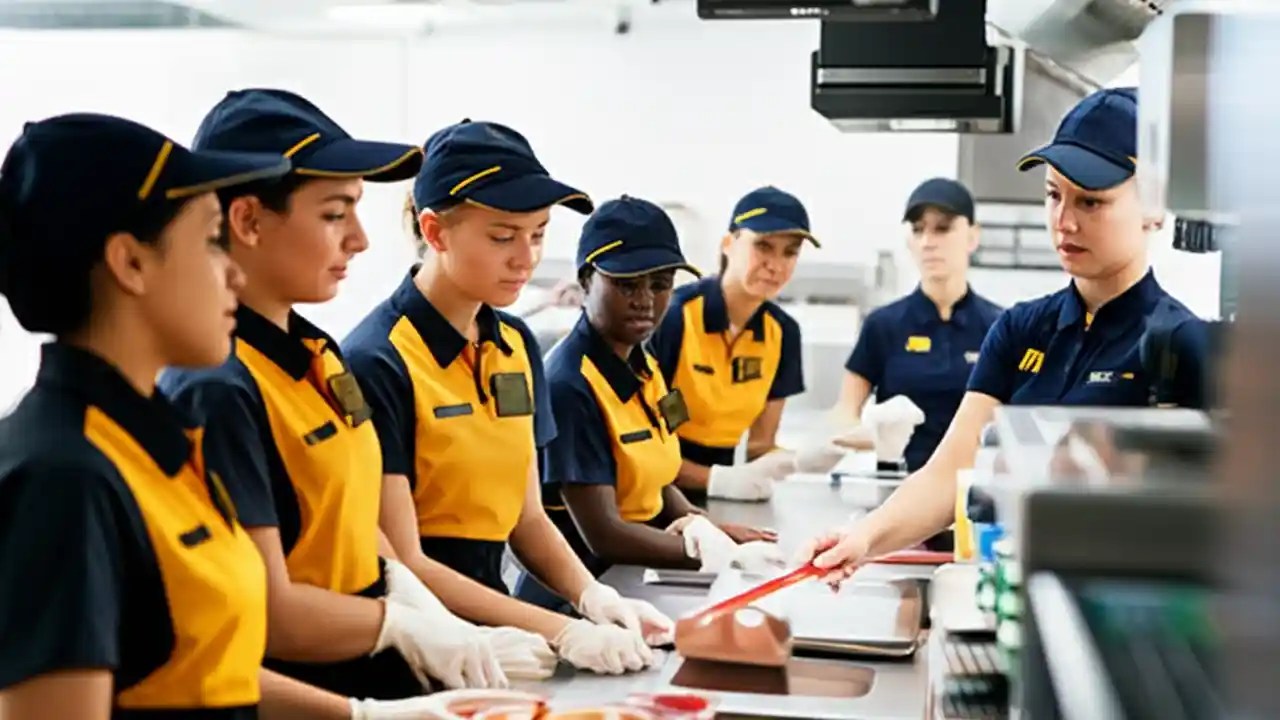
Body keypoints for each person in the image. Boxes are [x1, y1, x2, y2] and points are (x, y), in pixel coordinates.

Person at [0, 113, 470, 720]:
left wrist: (365, 715)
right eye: (208, 240)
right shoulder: (62, 477)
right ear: (130, 264)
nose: (230, 268)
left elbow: (196, 669)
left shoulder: (155, 442)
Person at [160, 90, 542, 700]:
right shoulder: (217, 386)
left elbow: (360, 522)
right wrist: (402, 626)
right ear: (249, 221)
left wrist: (420, 605)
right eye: (336, 213)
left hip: (372, 669)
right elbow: (268, 610)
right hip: (307, 693)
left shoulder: (318, 356)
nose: (361, 240)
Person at [799, 87, 1212, 581]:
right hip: (1002, 589)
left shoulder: (1181, 345)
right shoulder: (1020, 330)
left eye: (1091, 202)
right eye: (1053, 195)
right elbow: (953, 467)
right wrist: (864, 537)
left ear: (1156, 208)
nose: (1064, 222)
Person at [342, 120, 668, 677]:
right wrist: (560, 628)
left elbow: (527, 518)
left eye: (538, 234)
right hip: (420, 640)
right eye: (502, 237)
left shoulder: (515, 344)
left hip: (503, 626)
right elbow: (406, 559)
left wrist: (594, 599)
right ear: (436, 232)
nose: (527, 258)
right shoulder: (377, 360)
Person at [510, 196, 784, 612]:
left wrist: (701, 524)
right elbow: (603, 533)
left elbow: (657, 479)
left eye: (660, 285)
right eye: (626, 284)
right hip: (578, 599)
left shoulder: (645, 364)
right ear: (586, 280)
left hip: (633, 579)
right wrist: (711, 553)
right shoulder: (570, 386)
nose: (646, 300)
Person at [647, 186, 828, 503]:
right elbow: (638, 442)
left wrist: (802, 459)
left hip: (724, 493)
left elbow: (761, 445)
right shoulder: (675, 317)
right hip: (653, 487)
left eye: (790, 252)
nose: (776, 264)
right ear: (728, 245)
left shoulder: (783, 333)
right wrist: (715, 479)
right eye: (763, 246)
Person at [832, 178, 1003, 473]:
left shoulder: (1000, 327)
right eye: (918, 229)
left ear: (972, 237)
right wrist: (875, 435)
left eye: (942, 228)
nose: (927, 242)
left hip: (972, 489)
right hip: (897, 489)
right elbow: (845, 414)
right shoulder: (883, 325)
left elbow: (1020, 421)